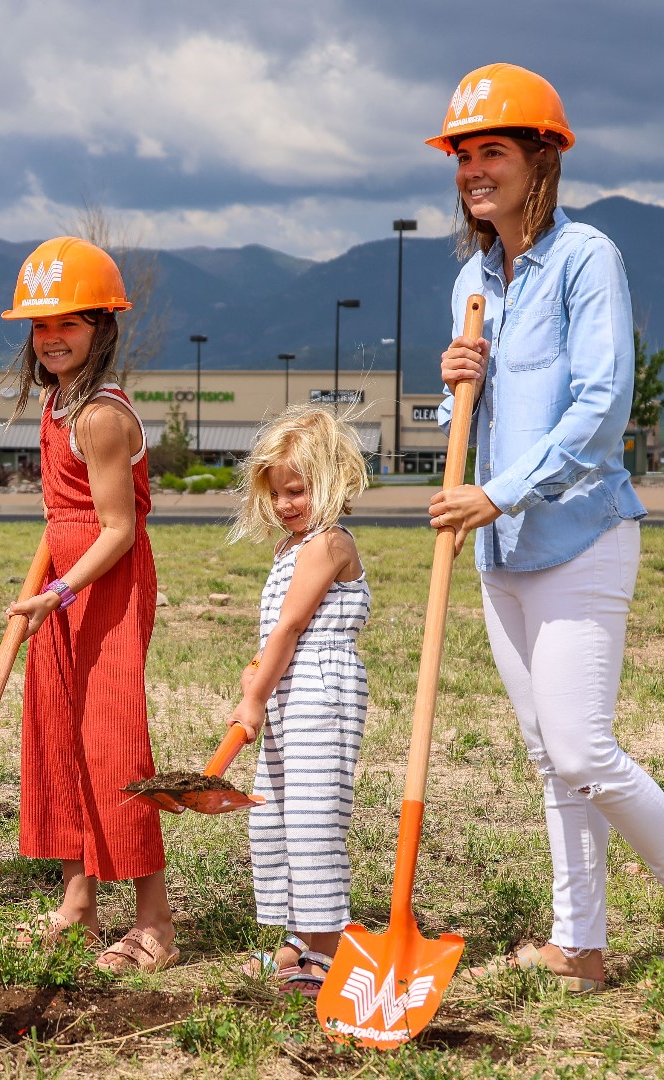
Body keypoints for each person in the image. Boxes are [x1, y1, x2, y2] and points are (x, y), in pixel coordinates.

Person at [424, 64, 664, 991]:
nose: (475, 170)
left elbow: (602, 407)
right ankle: (581, 944)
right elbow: (476, 422)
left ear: (540, 160)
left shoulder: (585, 258)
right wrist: (453, 394)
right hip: (500, 545)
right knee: (547, 756)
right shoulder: (473, 281)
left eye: (493, 152)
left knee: (582, 749)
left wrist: (504, 490)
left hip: (580, 535)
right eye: (464, 155)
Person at [0, 237, 173, 973]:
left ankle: (156, 924)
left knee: (112, 745)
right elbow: (63, 515)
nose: (52, 338)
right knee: (59, 738)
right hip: (62, 588)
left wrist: (61, 592)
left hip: (106, 588)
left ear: (103, 327)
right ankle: (78, 903)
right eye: (40, 326)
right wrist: (48, 587)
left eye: (68, 322)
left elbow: (119, 531)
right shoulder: (54, 400)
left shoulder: (99, 416)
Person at [227, 406, 371, 997]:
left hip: (321, 693)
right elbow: (278, 638)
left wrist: (255, 696)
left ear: (333, 481)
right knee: (275, 815)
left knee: (313, 817)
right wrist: (257, 674)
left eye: (299, 489)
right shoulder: (293, 545)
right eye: (278, 493)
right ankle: (297, 937)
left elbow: (291, 628)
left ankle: (329, 944)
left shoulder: (328, 543)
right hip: (291, 687)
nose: (287, 503)